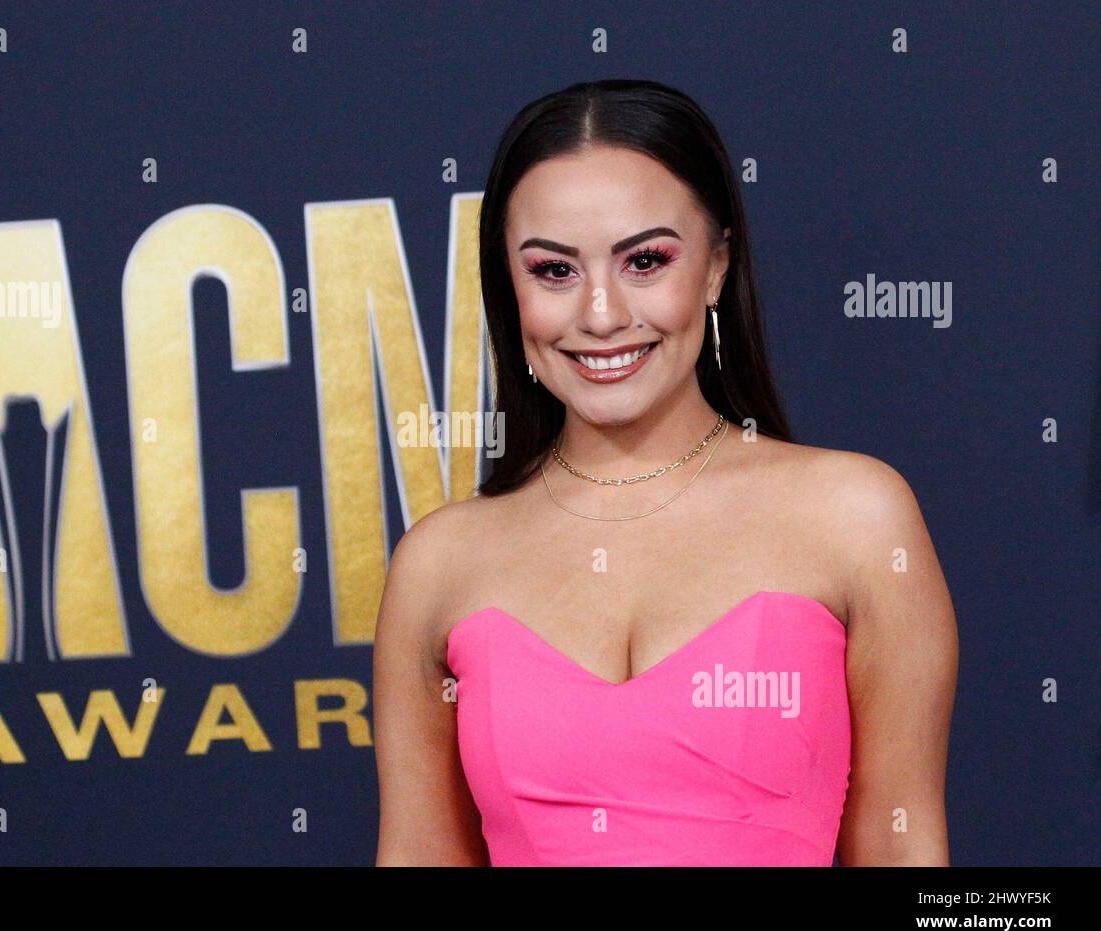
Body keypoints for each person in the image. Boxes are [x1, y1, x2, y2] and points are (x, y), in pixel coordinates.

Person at [373, 79, 957, 866]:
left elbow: (903, 848)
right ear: (509, 290)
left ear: (716, 265)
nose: (602, 314)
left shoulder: (856, 516)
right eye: (554, 271)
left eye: (645, 261)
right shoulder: (439, 563)